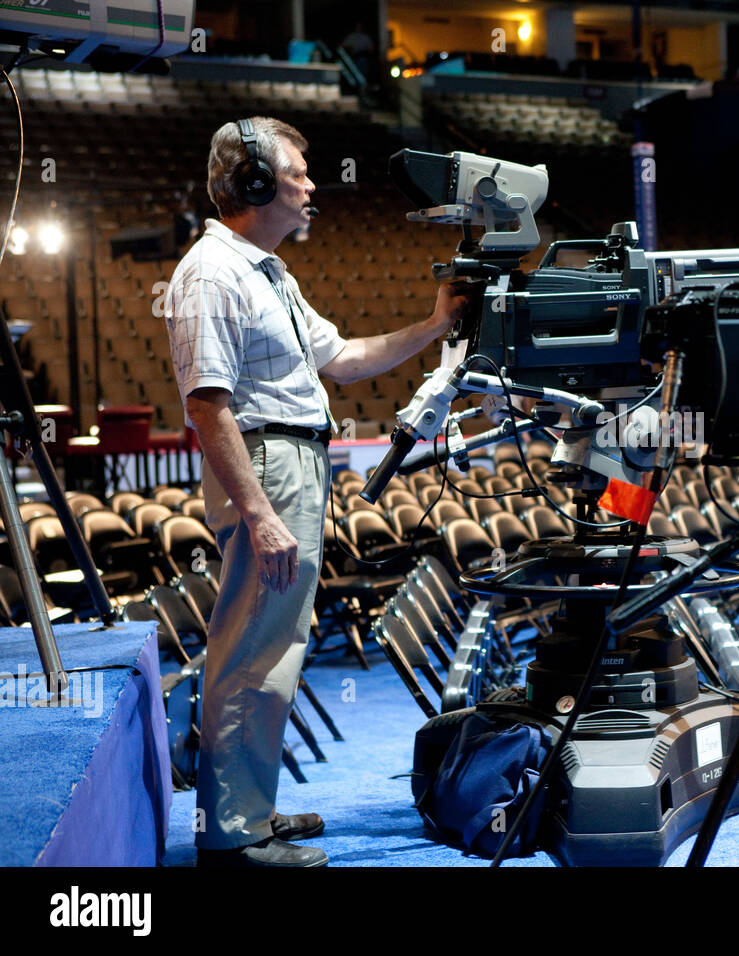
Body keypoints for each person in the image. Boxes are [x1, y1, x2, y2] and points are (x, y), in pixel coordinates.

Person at [163, 117, 469, 867]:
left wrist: (435, 324)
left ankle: (252, 813)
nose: (310, 184)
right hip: (266, 469)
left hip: (294, 462)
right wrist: (262, 515)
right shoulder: (212, 272)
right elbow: (207, 405)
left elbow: (347, 359)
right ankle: (232, 836)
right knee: (250, 654)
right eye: (297, 172)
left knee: (276, 649)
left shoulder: (269, 272)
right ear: (255, 183)